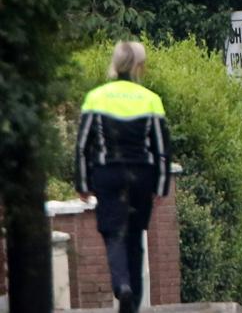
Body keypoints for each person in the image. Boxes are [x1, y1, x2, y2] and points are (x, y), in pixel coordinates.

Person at [75, 41, 171, 313]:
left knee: (113, 233)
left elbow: (83, 144)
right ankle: (131, 306)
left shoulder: (96, 97)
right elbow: (162, 149)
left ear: (115, 64)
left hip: (109, 175)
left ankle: (122, 285)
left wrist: (83, 183)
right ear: (140, 66)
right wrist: (161, 185)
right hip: (141, 175)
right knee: (135, 238)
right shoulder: (151, 99)